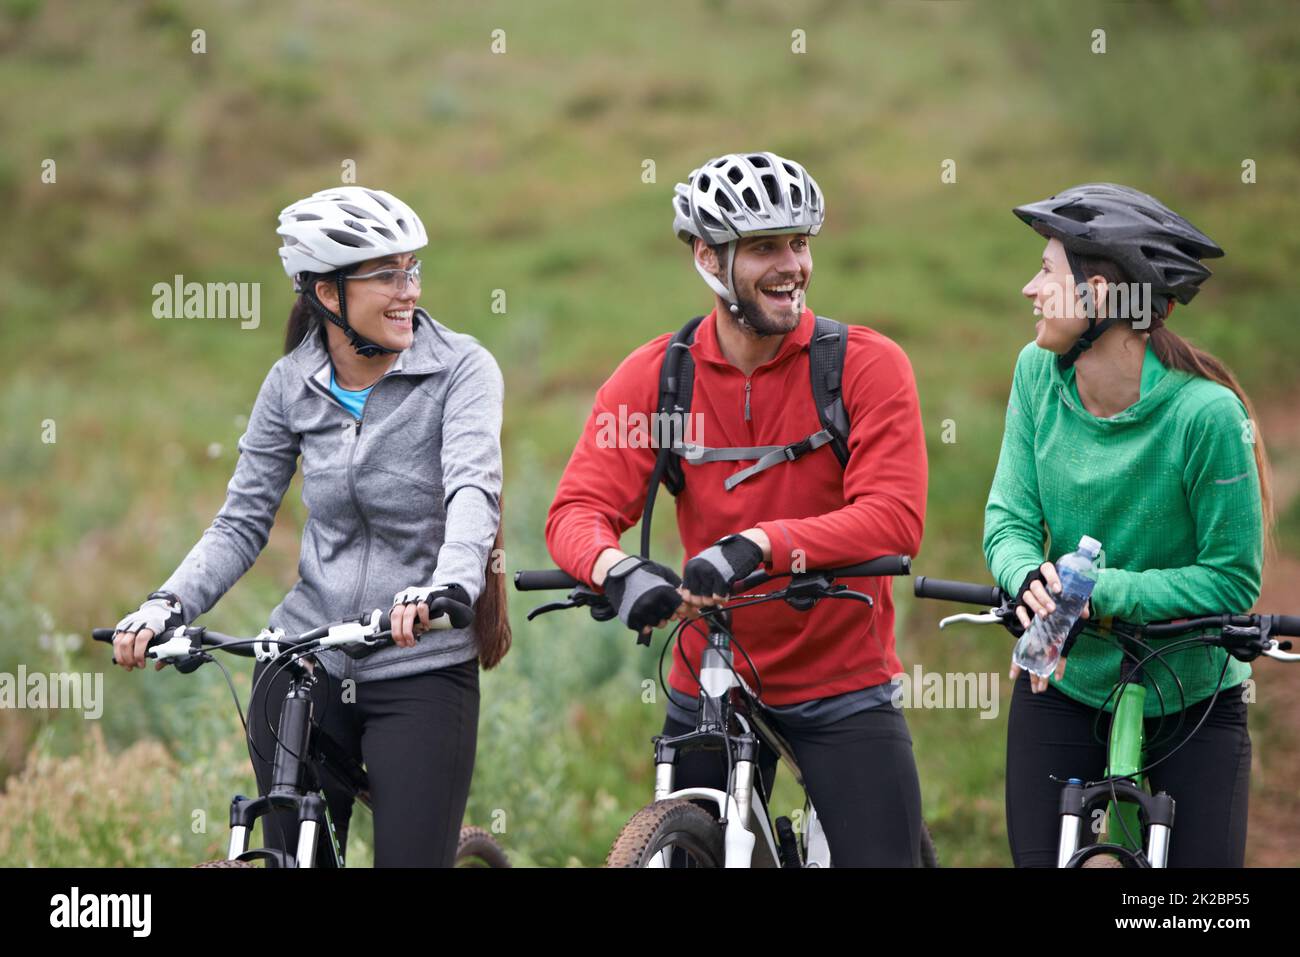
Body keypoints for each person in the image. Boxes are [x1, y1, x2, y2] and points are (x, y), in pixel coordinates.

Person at [546, 152, 929, 865]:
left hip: (841, 678)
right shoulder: (660, 378)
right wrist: (615, 567)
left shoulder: (865, 366)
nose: (792, 266)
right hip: (712, 673)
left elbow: (894, 517)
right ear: (708, 257)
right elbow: (578, 508)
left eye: (800, 243)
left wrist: (759, 542)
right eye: (764, 248)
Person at [111, 186, 508, 867]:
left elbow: (474, 488)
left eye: (411, 269)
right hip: (303, 658)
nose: (408, 290)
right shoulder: (289, 384)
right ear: (327, 293)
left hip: (419, 661)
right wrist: (165, 602)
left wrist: (449, 586)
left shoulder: (461, 369)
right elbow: (241, 520)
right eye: (386, 275)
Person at [985, 182, 1271, 866]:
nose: (1030, 288)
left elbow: (1232, 580)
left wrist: (1099, 592)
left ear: (1103, 297)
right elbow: (1008, 518)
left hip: (1191, 690)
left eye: (1048, 273)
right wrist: (1026, 574)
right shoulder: (1035, 375)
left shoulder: (1207, 417)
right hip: (1068, 682)